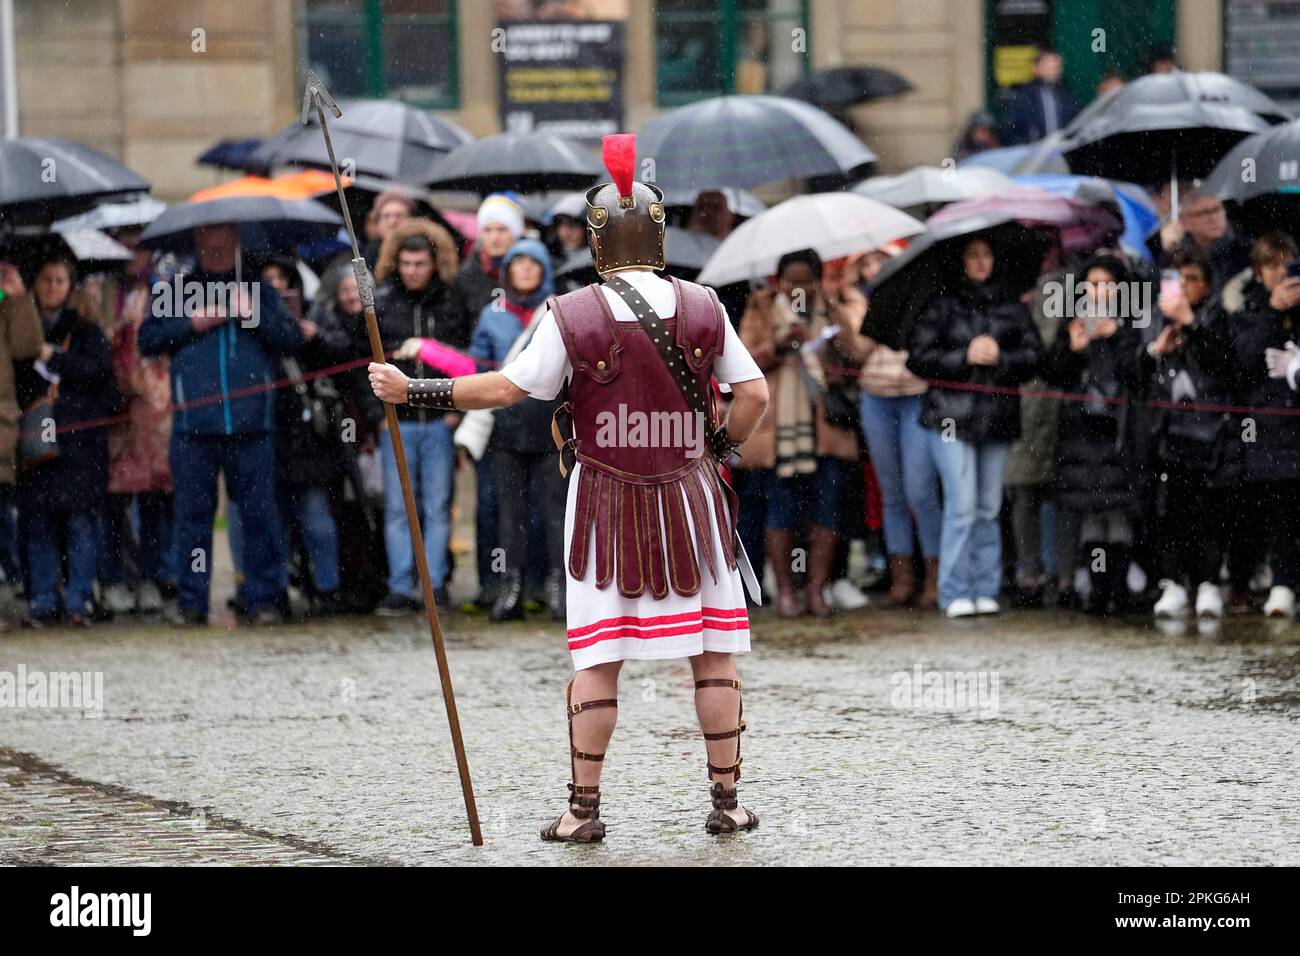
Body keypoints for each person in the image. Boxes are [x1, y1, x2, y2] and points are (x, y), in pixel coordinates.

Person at [368, 133, 769, 841]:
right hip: (693, 496)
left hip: (604, 502)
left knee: (599, 658)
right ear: (661, 233)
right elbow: (754, 394)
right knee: (712, 656)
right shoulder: (704, 304)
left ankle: (582, 813)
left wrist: (412, 390)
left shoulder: (570, 313)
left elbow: (506, 388)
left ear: (596, 241)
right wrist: (720, 447)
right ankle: (727, 802)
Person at [139, 223, 303, 626]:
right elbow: (148, 339)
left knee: (258, 515)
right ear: (196, 243)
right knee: (193, 518)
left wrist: (255, 315)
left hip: (253, 424)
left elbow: (291, 337)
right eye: (208, 240)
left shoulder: (258, 288)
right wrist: (192, 323)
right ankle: (192, 601)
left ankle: (263, 597)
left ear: (235, 243)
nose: (215, 247)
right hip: (193, 426)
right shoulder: (176, 290)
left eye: (223, 240)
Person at [906, 237, 1044, 618]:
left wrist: (1002, 356)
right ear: (961, 260)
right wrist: (962, 356)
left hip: (997, 415)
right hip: (949, 415)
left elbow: (1034, 356)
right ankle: (952, 590)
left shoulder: (1011, 303)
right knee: (962, 504)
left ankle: (985, 586)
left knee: (988, 505)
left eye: (987, 253)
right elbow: (918, 358)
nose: (981, 262)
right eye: (973, 255)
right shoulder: (942, 303)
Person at [736, 249, 862, 618]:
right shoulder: (761, 308)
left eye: (806, 280)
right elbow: (741, 361)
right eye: (791, 281)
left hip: (825, 428)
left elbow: (857, 356)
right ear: (779, 281)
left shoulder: (833, 309)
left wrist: (833, 349)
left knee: (827, 509)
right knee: (780, 510)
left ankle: (817, 589)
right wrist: (778, 347)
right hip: (778, 431)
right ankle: (787, 591)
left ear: (818, 280)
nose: (799, 288)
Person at [834, 250, 942, 609]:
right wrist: (850, 315)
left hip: (914, 395)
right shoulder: (855, 300)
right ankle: (902, 580)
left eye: (879, 261)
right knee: (891, 492)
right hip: (876, 398)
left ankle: (934, 579)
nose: (872, 269)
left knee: (920, 491)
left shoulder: (920, 293)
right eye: (864, 263)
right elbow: (860, 352)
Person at [370, 217, 466, 614]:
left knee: (437, 506)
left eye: (420, 264)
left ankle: (435, 584)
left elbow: (463, 358)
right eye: (406, 264)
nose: (412, 271)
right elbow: (370, 363)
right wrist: (377, 413)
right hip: (397, 422)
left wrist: (457, 408)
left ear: (433, 263)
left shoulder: (450, 300)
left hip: (439, 421)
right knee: (397, 507)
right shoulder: (383, 301)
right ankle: (400, 584)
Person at [15, 257, 115, 626]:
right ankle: (43, 600)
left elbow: (99, 374)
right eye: (46, 280)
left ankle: (79, 601)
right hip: (37, 439)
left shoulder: (87, 330)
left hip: (79, 442)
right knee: (38, 524)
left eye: (60, 281)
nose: (53, 287)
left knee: (79, 523)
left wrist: (55, 359)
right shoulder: (22, 328)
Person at [1042, 255, 1144, 615]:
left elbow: (1141, 372)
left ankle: (1119, 587)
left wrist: (1117, 338)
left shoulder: (1133, 322)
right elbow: (1052, 373)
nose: (1099, 292)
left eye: (1107, 284)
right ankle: (1097, 587)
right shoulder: (1073, 322)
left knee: (1117, 512)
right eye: (1092, 284)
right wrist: (1073, 350)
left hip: (1119, 431)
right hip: (1081, 434)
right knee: (1090, 513)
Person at [1213, 233, 1300, 617]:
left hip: (1293, 423)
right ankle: (1254, 582)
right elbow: (1244, 361)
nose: (1281, 272)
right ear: (1260, 271)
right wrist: (1272, 310)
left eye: (1287, 263)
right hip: (1262, 429)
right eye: (1272, 265)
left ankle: (1286, 584)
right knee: (1262, 509)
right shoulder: (1246, 309)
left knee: (1290, 510)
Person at [447, 193, 527, 608]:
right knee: (489, 500)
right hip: (482, 398)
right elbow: (457, 341)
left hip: (525, 401)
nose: (495, 238)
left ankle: (526, 582)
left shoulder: (531, 273)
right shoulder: (467, 280)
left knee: (527, 502)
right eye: (488, 230)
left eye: (503, 230)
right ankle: (489, 582)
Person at [1145, 247, 1232, 618]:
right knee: (1169, 511)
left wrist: (1192, 324)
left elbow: (1225, 363)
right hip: (1165, 432)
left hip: (1210, 432)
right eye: (1176, 280)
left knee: (1208, 511)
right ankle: (1174, 583)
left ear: (1207, 285)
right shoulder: (1155, 318)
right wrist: (1154, 349)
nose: (1183, 287)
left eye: (1192, 279)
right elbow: (1135, 370)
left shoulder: (1217, 315)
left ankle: (1208, 582)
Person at [98, 233, 174, 615]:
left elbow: (167, 340)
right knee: (112, 499)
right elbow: (92, 343)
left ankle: (151, 577)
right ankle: (113, 579)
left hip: (152, 409)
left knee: (152, 498)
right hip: (113, 408)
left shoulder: (163, 290)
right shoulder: (102, 290)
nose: (132, 254)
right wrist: (116, 328)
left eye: (139, 246)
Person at [0, 262, 47, 609]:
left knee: (3, 516)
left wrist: (18, 298)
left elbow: (28, 347)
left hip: (1, 428)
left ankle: (15, 581)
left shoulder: (7, 304)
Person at [1153, 188, 1251, 292]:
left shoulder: (1246, 251)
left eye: (1217, 209)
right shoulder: (1176, 255)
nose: (1213, 218)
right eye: (1203, 213)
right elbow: (1162, 295)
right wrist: (1167, 254)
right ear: (1184, 222)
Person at [998, 49, 1080, 145]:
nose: (1054, 71)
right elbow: (1009, 130)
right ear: (1036, 68)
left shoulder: (1066, 95)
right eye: (1049, 67)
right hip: (1033, 152)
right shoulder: (1024, 95)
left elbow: (1075, 124)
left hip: (1061, 150)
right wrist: (1026, 146)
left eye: (1057, 67)